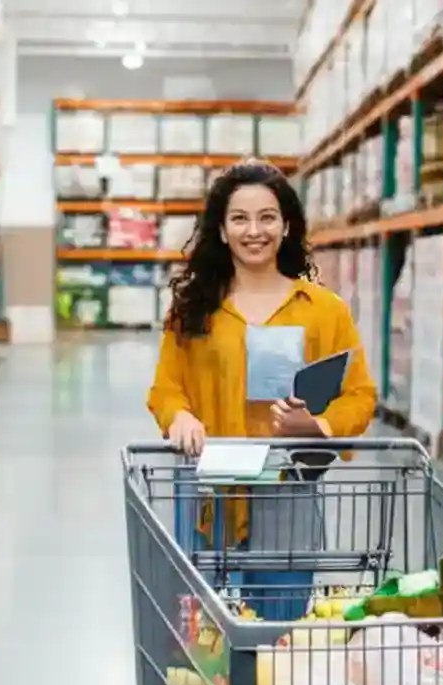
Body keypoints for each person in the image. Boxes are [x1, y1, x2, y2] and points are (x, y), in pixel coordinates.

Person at [146, 159, 377, 620]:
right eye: (240, 218)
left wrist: (317, 425)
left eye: (267, 217)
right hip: (210, 487)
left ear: (286, 226)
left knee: (279, 627)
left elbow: (360, 395)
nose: (255, 231)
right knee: (203, 628)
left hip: (286, 485)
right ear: (222, 230)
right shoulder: (194, 311)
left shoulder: (323, 311)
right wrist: (181, 417)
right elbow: (166, 388)